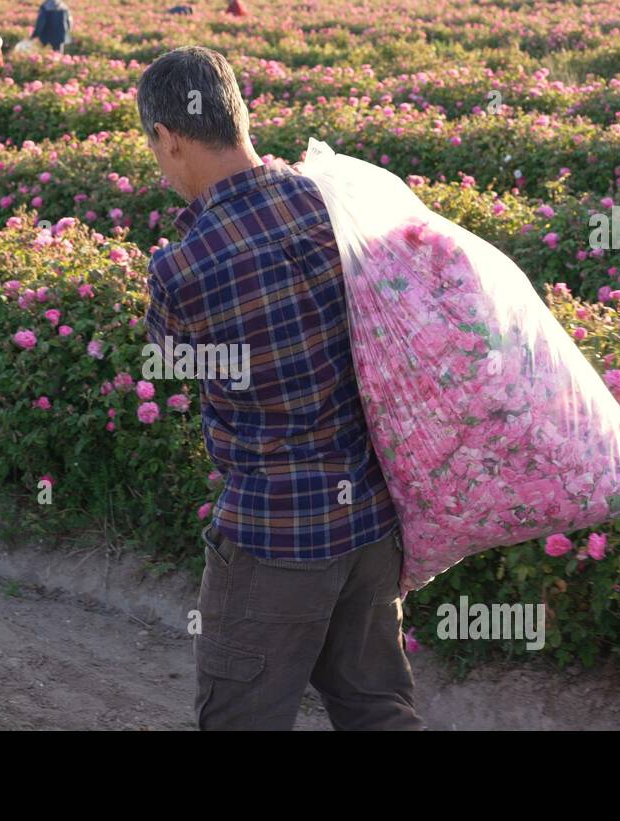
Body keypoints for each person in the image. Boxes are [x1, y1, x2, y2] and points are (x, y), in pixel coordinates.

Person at [137, 47, 424, 731]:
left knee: (242, 717)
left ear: (168, 140)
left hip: (276, 536)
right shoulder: (327, 197)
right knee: (379, 709)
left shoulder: (183, 267)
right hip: (370, 524)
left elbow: (175, 366)